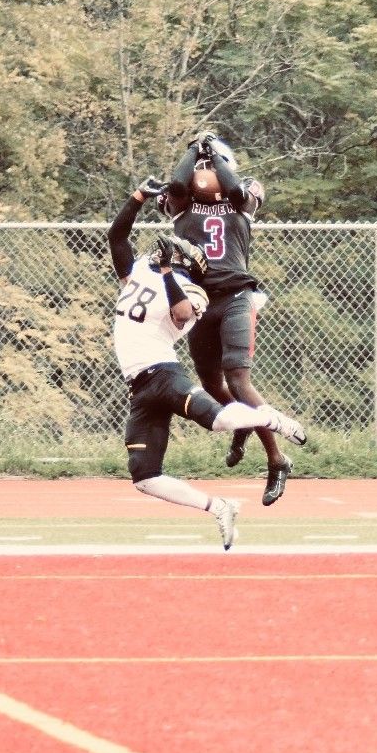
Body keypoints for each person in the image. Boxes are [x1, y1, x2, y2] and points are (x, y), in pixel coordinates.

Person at [106, 181, 305, 550]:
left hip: (164, 375)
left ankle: (273, 419)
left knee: (220, 421)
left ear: (185, 263)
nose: (167, 250)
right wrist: (136, 199)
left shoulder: (193, 291)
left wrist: (168, 273)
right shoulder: (138, 272)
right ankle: (219, 508)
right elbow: (116, 236)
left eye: (175, 252)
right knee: (145, 477)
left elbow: (181, 313)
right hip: (139, 387)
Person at [164, 132, 304, 507]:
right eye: (201, 168)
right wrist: (195, 149)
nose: (205, 172)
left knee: (238, 380)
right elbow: (177, 183)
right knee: (212, 383)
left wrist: (212, 154)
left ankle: (277, 459)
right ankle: (242, 424)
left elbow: (236, 191)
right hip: (200, 301)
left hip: (238, 297)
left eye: (211, 165)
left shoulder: (243, 195)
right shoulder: (181, 202)